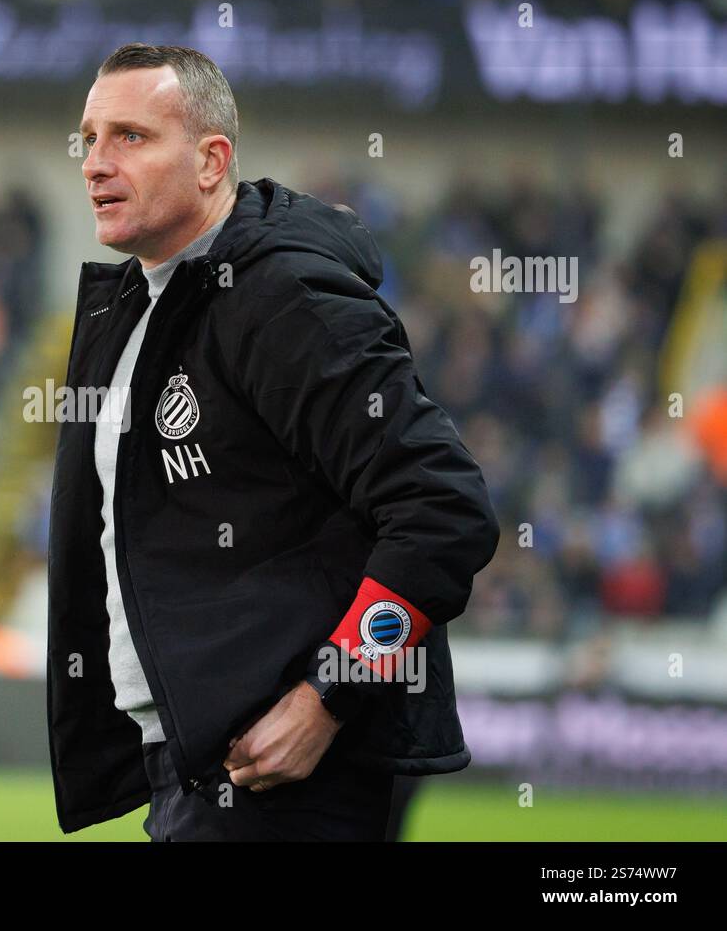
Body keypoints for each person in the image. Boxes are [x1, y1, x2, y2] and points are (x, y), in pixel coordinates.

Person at [46, 43, 500, 840]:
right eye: (88, 138)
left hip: (288, 778)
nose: (95, 162)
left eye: (130, 137)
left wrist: (330, 694)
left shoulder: (283, 298)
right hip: (200, 767)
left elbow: (443, 507)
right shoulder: (135, 309)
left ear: (212, 160)